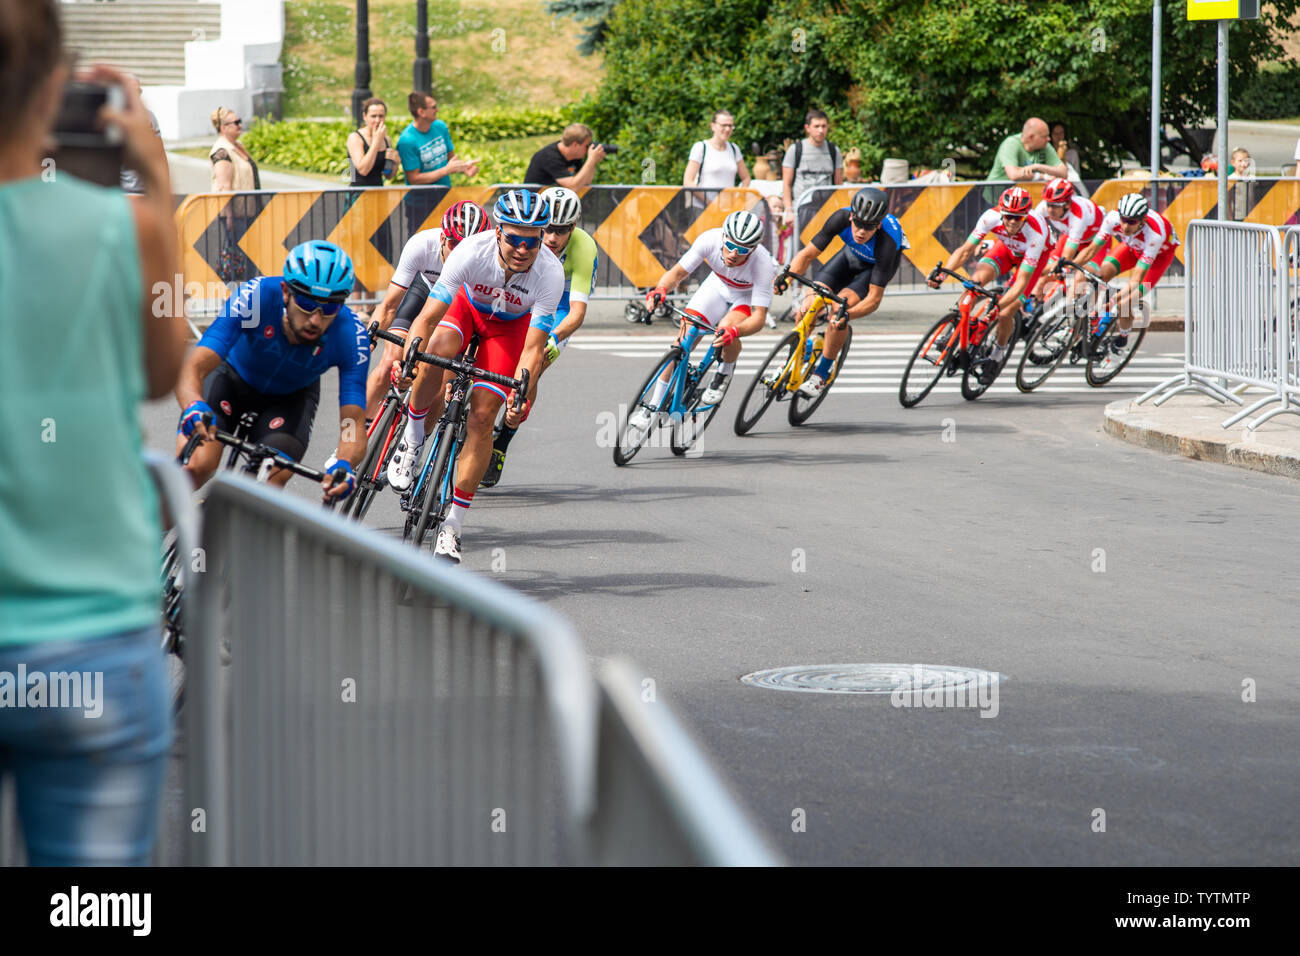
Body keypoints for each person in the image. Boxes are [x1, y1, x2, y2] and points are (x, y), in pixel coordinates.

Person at [1, 0, 187, 865]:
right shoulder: (126, 228)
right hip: (94, 648)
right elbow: (160, 373)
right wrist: (157, 189)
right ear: (50, 86)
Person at [386, 190, 565, 563]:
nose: (522, 249)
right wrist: (410, 358)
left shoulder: (550, 272)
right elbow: (428, 315)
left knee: (483, 418)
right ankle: (413, 436)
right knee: (435, 349)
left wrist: (521, 395)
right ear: (498, 232)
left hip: (508, 330)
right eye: (514, 238)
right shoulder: (471, 251)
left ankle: (453, 524)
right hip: (466, 310)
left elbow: (533, 348)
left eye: (531, 241)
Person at [174, 240, 367, 502]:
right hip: (231, 380)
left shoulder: (350, 335)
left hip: (290, 400)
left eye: (329, 308)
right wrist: (193, 405)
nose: (315, 319)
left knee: (263, 492)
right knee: (195, 468)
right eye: (307, 305)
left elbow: (352, 420)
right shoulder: (257, 297)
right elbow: (193, 367)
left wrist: (344, 461)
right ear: (286, 292)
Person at [483, 186, 598, 488]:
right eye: (548, 229)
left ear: (573, 227)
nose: (552, 238)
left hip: (560, 308)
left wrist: (552, 338)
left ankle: (502, 441)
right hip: (530, 295)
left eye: (561, 231)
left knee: (534, 366)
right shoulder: (529, 239)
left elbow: (576, 313)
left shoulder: (584, 249)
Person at [638, 209, 777, 419]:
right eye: (730, 246)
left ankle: (724, 373)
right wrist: (660, 290)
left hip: (745, 296)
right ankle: (652, 407)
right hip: (717, 286)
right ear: (723, 237)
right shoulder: (709, 240)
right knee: (681, 343)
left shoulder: (763, 264)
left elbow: (758, 319)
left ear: (754, 248)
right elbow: (678, 273)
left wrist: (734, 331)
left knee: (725, 331)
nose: (733, 254)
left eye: (742, 250)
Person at [362, 200, 491, 419]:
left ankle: (413, 442)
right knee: (389, 361)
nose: (460, 252)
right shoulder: (421, 244)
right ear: (442, 238)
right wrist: (369, 341)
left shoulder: (484, 261)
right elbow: (390, 305)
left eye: (467, 247)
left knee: (440, 384)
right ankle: (356, 433)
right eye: (454, 244)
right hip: (423, 292)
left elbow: (484, 321)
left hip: (455, 309)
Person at [779, 187, 910, 395]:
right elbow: (806, 255)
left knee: (840, 309)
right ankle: (799, 354)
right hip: (849, 257)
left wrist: (847, 315)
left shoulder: (886, 243)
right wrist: (784, 278)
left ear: (878, 225)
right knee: (808, 304)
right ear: (851, 216)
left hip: (873, 269)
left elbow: (874, 299)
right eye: (858, 223)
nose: (861, 231)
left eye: (869, 227)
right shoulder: (839, 217)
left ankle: (823, 372)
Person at [928, 186, 1051, 385]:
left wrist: (1000, 305)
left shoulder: (1036, 231)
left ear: (1026, 216)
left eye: (1018, 218)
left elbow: (1021, 282)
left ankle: (997, 355)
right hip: (1005, 248)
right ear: (1002, 212)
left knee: (1005, 313)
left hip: (1030, 260)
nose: (1012, 221)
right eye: (1008, 216)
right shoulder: (990, 217)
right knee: (974, 285)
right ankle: (955, 330)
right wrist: (942, 274)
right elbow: (966, 251)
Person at [1073, 192, 1179, 350]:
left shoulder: (1155, 233)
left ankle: (1123, 337)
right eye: (1123, 219)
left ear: (1143, 220)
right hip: (1132, 248)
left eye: (1131, 222)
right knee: (1100, 275)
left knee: (1125, 303)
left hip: (1158, 258)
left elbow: (1136, 279)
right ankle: (1094, 317)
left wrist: (1117, 298)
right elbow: (1092, 250)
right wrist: (1069, 265)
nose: (1125, 226)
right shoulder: (1112, 218)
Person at [1028, 177, 1104, 309]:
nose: (1050, 209)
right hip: (1070, 237)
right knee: (1041, 278)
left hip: (1094, 243)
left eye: (1055, 206)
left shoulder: (1078, 215)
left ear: (1067, 204)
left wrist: (1060, 268)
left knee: (1079, 279)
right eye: (1049, 204)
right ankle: (1032, 315)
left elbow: (1066, 257)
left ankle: (1082, 317)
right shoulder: (1044, 207)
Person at [210, 105, 261, 283]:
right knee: (239, 260)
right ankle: (238, 297)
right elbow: (224, 186)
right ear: (224, 128)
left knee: (249, 258)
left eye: (240, 122)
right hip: (237, 214)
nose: (240, 125)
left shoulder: (237, 147)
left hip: (248, 212)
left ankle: (248, 295)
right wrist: (229, 216)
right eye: (236, 123)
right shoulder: (222, 151)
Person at [781, 109, 843, 231]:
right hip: (801, 210)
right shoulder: (796, 150)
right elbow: (786, 184)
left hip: (826, 211)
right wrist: (789, 211)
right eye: (816, 126)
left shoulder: (833, 151)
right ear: (807, 128)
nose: (821, 130)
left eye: (824, 126)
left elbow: (838, 185)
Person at [524, 122, 607, 189]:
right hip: (534, 204)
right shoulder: (549, 157)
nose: (587, 149)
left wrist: (593, 161)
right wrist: (591, 160)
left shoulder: (575, 157)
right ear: (575, 144)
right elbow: (573, 187)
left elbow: (586, 181)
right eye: (586, 146)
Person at [683, 111, 751, 191]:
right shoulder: (701, 147)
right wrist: (708, 200)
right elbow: (688, 181)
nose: (727, 129)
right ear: (713, 126)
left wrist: (738, 196)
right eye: (723, 125)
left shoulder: (734, 149)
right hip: (703, 202)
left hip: (727, 202)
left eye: (730, 126)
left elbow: (746, 178)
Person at [987, 117, 1066, 183]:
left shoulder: (1045, 145)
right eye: (1044, 137)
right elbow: (1014, 175)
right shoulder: (1011, 144)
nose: (1048, 139)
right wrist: (1043, 176)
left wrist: (1038, 167)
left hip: (1024, 196)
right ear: (1031, 137)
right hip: (996, 197)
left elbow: (1063, 173)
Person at [347, 96, 400, 187]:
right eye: (373, 116)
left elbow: (388, 175)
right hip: (358, 194)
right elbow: (363, 170)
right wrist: (376, 142)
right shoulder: (355, 138)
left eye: (381, 116)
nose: (377, 120)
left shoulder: (386, 139)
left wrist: (396, 163)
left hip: (378, 193)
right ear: (365, 116)